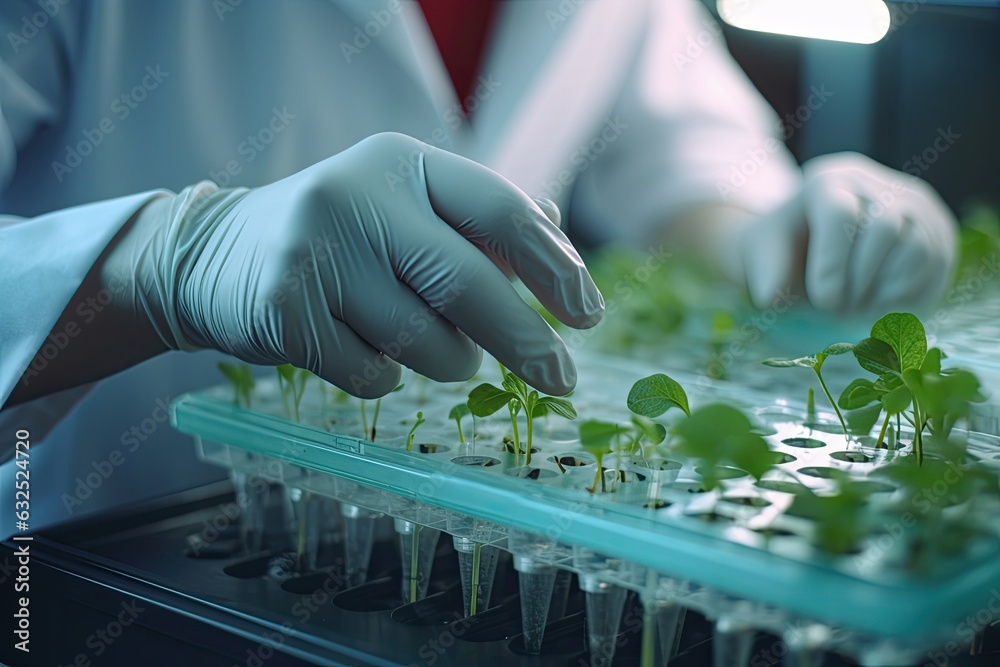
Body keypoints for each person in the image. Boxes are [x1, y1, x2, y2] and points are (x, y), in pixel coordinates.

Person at [0, 0, 955, 536]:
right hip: (81, 537)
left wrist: (787, 236)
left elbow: (685, 162)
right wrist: (161, 263)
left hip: (447, 524)